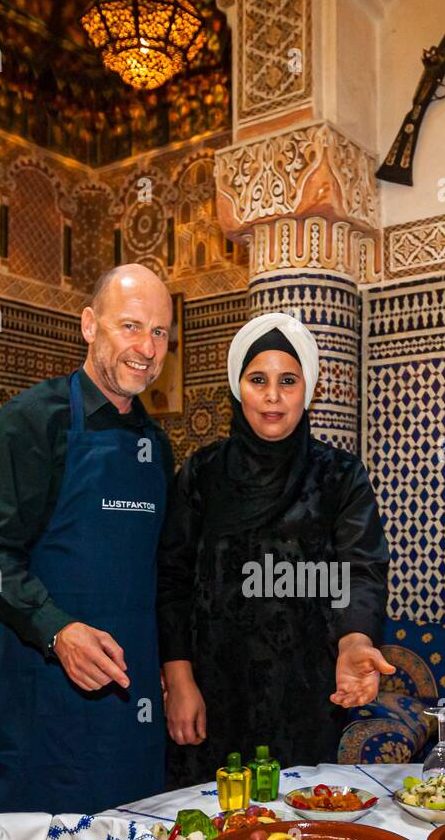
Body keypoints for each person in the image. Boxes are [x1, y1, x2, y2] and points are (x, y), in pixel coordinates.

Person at [0, 264, 175, 813]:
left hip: (133, 715)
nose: (147, 347)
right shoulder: (30, 423)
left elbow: (157, 572)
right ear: (89, 325)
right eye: (130, 326)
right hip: (48, 707)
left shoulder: (156, 445)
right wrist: (59, 632)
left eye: (159, 333)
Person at [158, 311, 393, 784]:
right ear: (236, 386)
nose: (272, 395)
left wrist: (354, 641)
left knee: (301, 838)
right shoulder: (202, 473)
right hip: (213, 693)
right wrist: (178, 680)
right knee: (208, 839)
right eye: (257, 379)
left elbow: (361, 571)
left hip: (305, 693)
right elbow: (172, 579)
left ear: (309, 391)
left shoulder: (340, 476)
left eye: (288, 380)